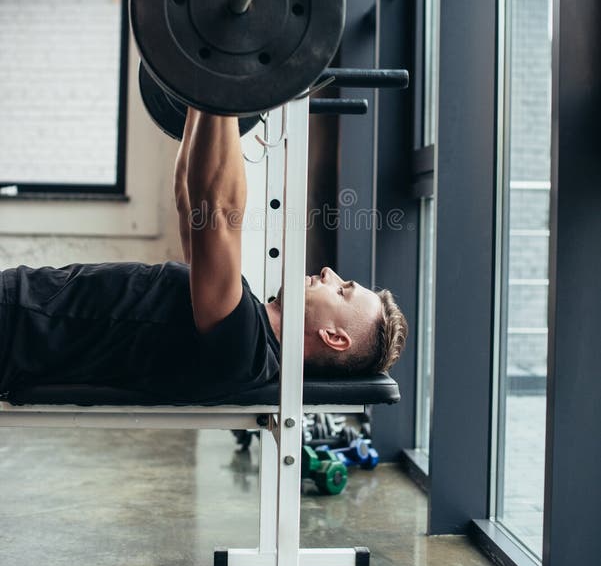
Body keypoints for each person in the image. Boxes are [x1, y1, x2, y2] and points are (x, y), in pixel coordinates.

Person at [0, 110, 407, 403]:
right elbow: (190, 196)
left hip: (14, 330)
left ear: (335, 338)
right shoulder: (240, 310)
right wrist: (197, 97)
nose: (330, 272)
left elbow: (217, 210)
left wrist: (223, 81)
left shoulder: (244, 352)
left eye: (343, 290)